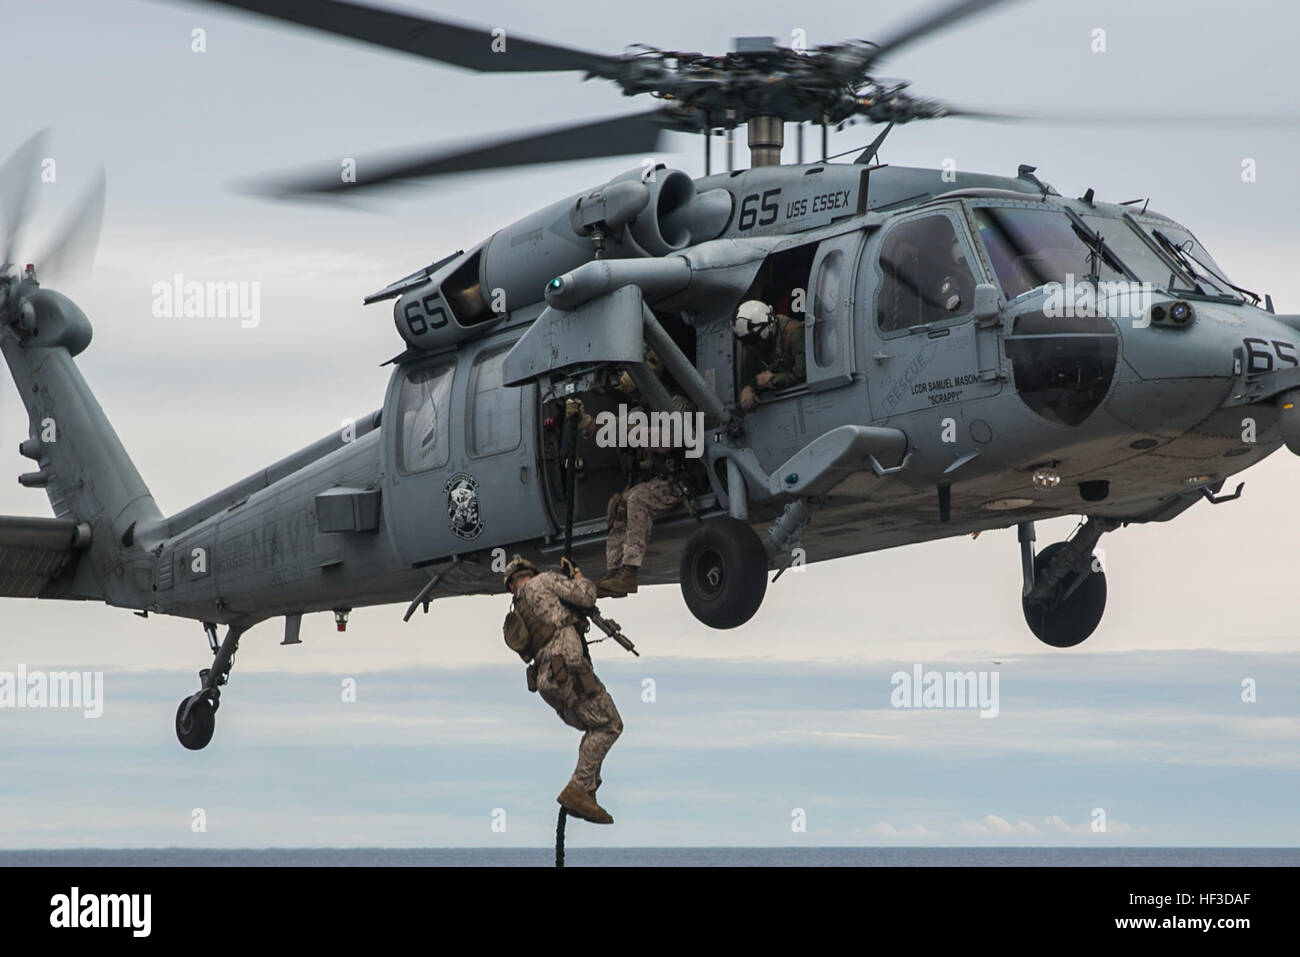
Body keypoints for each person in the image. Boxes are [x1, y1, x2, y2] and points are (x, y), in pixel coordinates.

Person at [502, 555, 622, 825]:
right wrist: (576, 574)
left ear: (511, 586)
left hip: (549, 684)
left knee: (595, 728)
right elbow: (587, 596)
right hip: (568, 670)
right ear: (530, 574)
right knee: (609, 725)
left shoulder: (519, 611)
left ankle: (586, 791)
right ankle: (579, 789)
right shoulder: (544, 582)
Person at [565, 352, 694, 598]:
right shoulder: (638, 412)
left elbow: (669, 440)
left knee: (637, 499)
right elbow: (610, 431)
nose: (637, 399)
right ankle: (614, 573)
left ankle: (630, 570)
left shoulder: (676, 404)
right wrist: (584, 421)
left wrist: (632, 433)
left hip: (680, 481)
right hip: (655, 482)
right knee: (619, 504)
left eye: (639, 393)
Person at [734, 299, 805, 412]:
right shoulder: (755, 342)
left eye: (757, 342)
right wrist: (748, 388)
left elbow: (802, 374)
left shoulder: (795, 334)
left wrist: (773, 380)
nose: (756, 346)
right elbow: (749, 370)